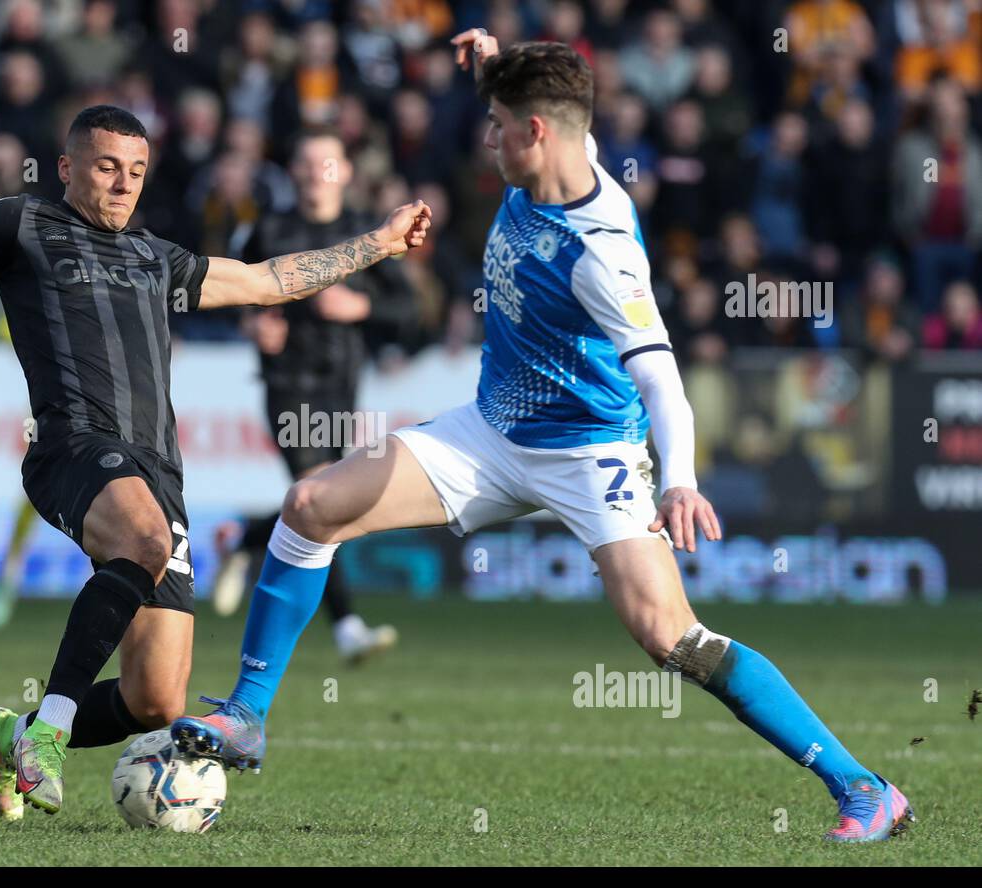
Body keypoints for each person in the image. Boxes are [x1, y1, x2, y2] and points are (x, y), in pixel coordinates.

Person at [170, 36, 914, 843]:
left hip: (592, 454)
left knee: (672, 638)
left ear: (536, 136)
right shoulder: (560, 144)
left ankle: (864, 787)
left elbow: (662, 376)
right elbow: (559, 91)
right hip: (491, 433)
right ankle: (247, 713)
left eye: (497, 126)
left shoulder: (602, 255)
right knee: (312, 504)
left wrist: (681, 478)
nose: (486, 140)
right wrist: (497, 58)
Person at [0, 104, 432, 818]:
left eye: (136, 171)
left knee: (156, 698)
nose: (122, 184)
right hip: (72, 449)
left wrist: (378, 246)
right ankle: (45, 731)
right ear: (69, 168)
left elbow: (270, 280)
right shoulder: (21, 225)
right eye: (106, 167)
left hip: (158, 471)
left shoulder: (156, 258)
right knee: (142, 539)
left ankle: (11, 734)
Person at [213, 128, 414, 664]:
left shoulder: (364, 233)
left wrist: (363, 310)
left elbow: (412, 309)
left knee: (322, 502)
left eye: (326, 163)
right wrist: (252, 327)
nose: (315, 172)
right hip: (286, 384)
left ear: (345, 171)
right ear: (293, 172)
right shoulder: (269, 229)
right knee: (320, 497)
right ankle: (348, 627)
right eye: (305, 162)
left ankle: (247, 538)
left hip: (340, 388)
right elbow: (228, 291)